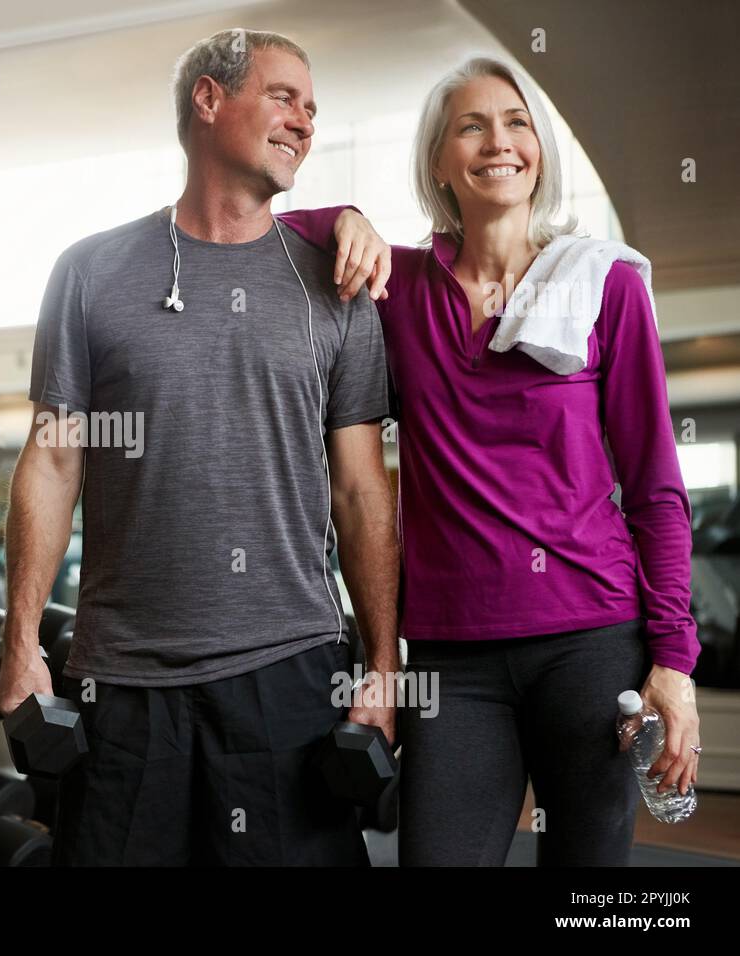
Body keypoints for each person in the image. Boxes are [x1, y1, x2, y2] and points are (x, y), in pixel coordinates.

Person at [279, 57, 701, 866]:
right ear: (439, 160)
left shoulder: (604, 284)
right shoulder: (398, 290)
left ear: (539, 149)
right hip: (451, 657)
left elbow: (655, 488)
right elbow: (275, 228)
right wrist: (347, 217)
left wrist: (674, 663)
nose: (497, 141)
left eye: (515, 123)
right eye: (470, 126)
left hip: (592, 641)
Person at [0, 29, 400, 866]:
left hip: (289, 675)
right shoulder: (90, 272)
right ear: (208, 101)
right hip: (122, 682)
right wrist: (21, 643)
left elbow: (361, 493)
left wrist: (387, 662)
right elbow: (53, 460)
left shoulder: (337, 288)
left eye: (314, 109)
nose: (304, 122)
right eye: (284, 97)